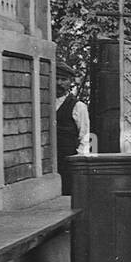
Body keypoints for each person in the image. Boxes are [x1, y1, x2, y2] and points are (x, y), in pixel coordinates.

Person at [55, 62, 92, 196]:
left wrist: (79, 160)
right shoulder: (43, 103)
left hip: (68, 159)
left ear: (70, 82)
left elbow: (85, 135)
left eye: (63, 79)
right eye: (56, 78)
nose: (59, 83)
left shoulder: (78, 106)